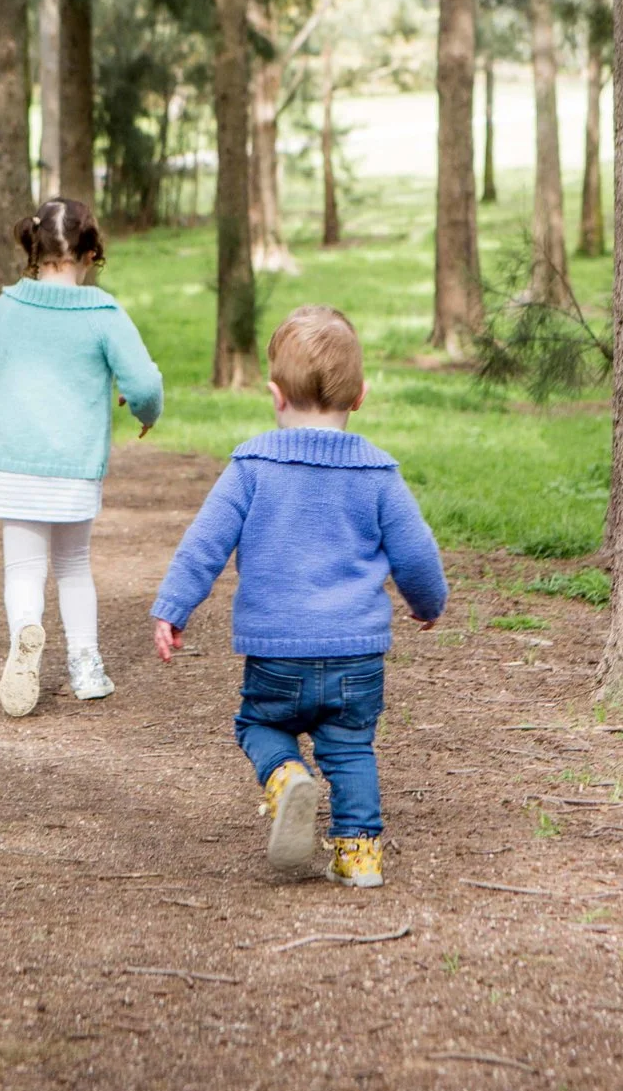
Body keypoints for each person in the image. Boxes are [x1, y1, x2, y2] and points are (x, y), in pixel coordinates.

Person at [150, 305, 447, 888]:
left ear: (275, 395)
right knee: (351, 748)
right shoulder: (378, 473)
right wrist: (427, 603)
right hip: (356, 657)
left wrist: (173, 607)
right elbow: (417, 555)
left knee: (257, 725)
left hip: (277, 653)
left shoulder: (251, 466)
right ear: (359, 395)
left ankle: (286, 777)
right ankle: (359, 857)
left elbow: (204, 544)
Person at [0, 197, 164, 715]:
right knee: (74, 565)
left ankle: (25, 638)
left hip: (15, 462)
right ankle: (86, 667)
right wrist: (145, 410)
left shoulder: (8, 304)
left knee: (23, 569)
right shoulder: (104, 313)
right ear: (90, 252)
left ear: (35, 250)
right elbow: (143, 382)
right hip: (75, 468)